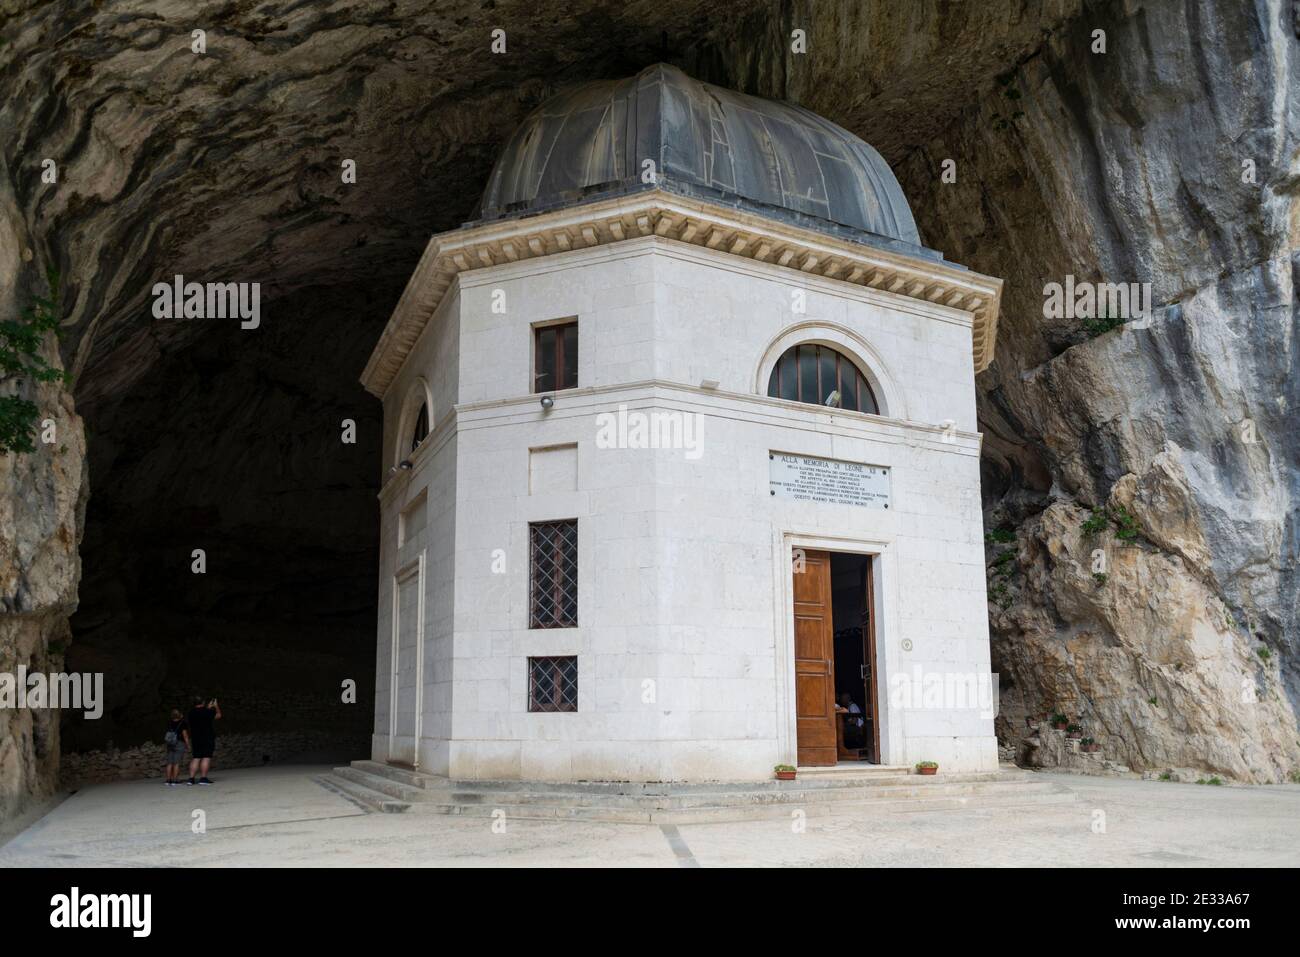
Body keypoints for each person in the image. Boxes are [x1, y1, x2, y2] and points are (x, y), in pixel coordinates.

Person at [185, 696, 222, 785]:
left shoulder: (191, 713)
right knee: (206, 757)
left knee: (196, 758)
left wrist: (208, 708)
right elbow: (218, 715)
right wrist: (216, 706)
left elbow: (201, 715)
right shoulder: (208, 712)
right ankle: (203, 778)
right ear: (203, 702)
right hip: (207, 737)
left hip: (196, 737)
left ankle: (191, 779)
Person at [163, 709, 189, 787]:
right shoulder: (183, 723)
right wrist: (188, 745)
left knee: (170, 762)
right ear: (180, 715)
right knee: (176, 763)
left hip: (170, 743)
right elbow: (185, 735)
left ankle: (168, 780)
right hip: (179, 743)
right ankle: (175, 780)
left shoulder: (169, 722)